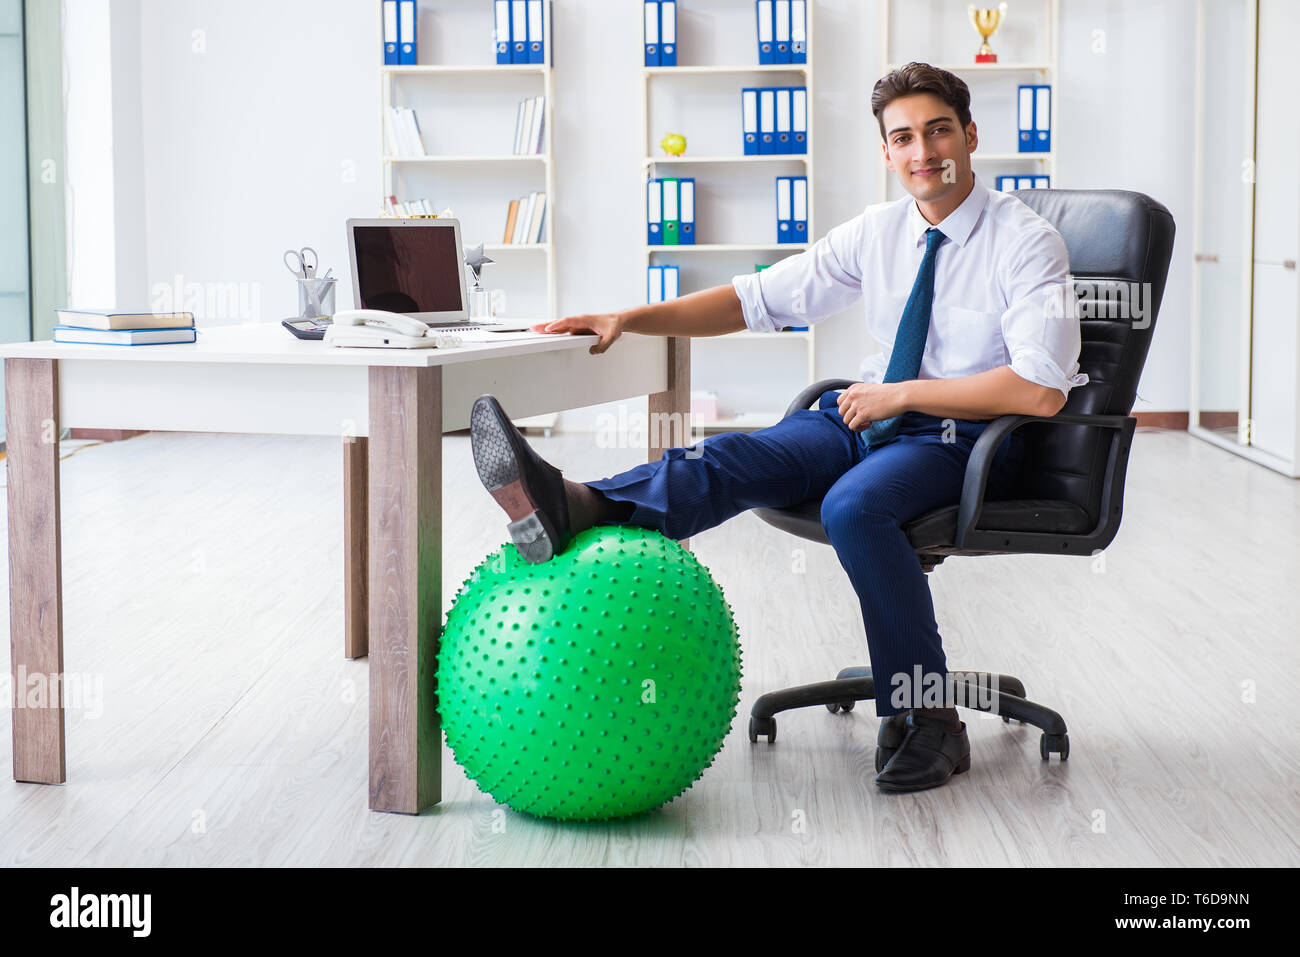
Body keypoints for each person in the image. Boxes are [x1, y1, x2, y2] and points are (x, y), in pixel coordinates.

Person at [468, 62, 1087, 794]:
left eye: (938, 130)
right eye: (903, 138)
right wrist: (629, 317)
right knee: (735, 457)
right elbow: (756, 299)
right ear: (886, 152)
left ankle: (930, 719)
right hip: (866, 414)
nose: (923, 150)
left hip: (967, 440)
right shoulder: (880, 231)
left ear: (970, 134)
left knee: (854, 505)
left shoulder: (1025, 242)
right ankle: (581, 503)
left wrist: (905, 395)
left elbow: (1042, 390)